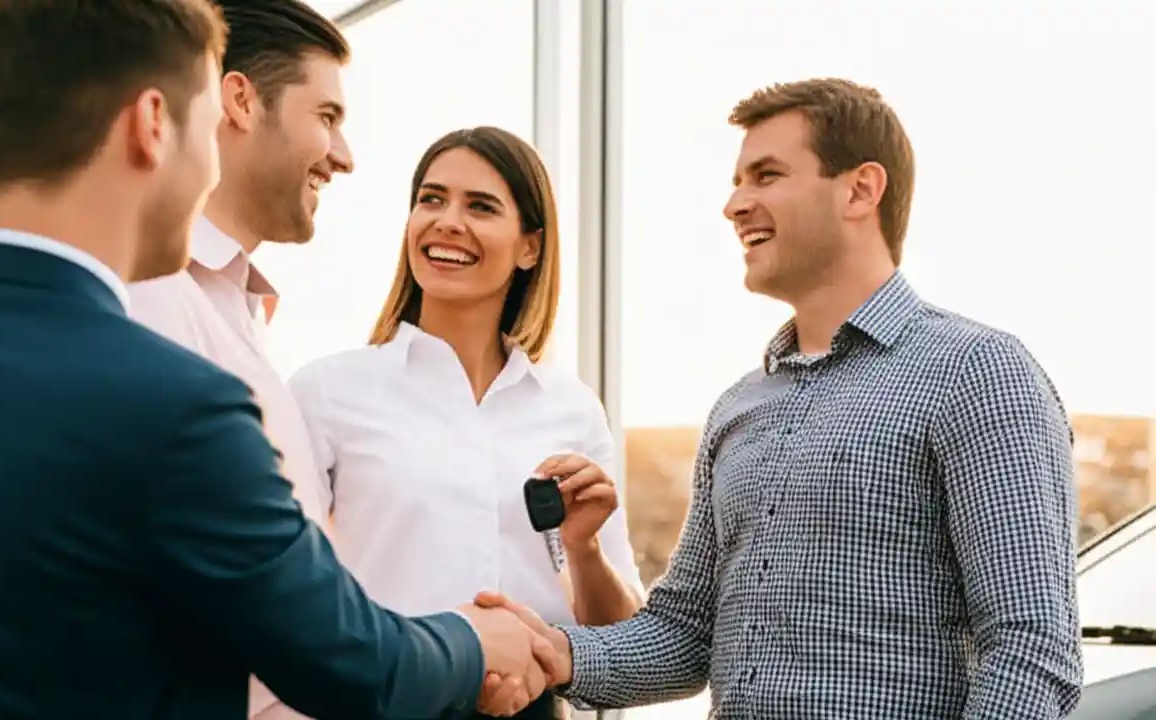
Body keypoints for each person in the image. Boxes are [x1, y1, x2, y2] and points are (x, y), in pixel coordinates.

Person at [0, 2, 555, 718]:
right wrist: (477, 642)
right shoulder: (176, 401)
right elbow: (348, 658)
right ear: (151, 125)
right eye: (206, 122)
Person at [479, 78, 1083, 718]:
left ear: (860, 190)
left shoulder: (980, 373)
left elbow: (1031, 649)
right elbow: (685, 635)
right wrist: (556, 652)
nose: (735, 204)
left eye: (766, 176)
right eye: (739, 181)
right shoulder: (740, 407)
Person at [288, 127, 645, 719]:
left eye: (480, 206)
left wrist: (582, 549)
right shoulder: (328, 391)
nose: (447, 221)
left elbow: (622, 640)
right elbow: (291, 592)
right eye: (431, 199)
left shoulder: (572, 408)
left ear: (530, 247)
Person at [128, 0, 351, 533]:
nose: (344, 156)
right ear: (241, 101)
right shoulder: (145, 296)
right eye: (326, 117)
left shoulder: (239, 309)